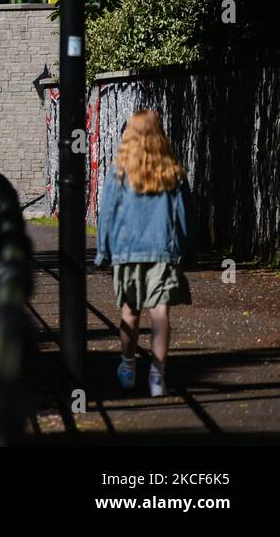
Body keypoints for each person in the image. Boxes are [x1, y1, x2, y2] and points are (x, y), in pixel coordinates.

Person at [94, 109, 195, 397]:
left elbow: (107, 216)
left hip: (127, 252)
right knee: (160, 313)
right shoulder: (172, 172)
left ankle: (127, 367)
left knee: (130, 311)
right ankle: (157, 376)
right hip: (163, 251)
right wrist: (187, 250)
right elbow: (185, 215)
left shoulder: (118, 172)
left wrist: (103, 252)